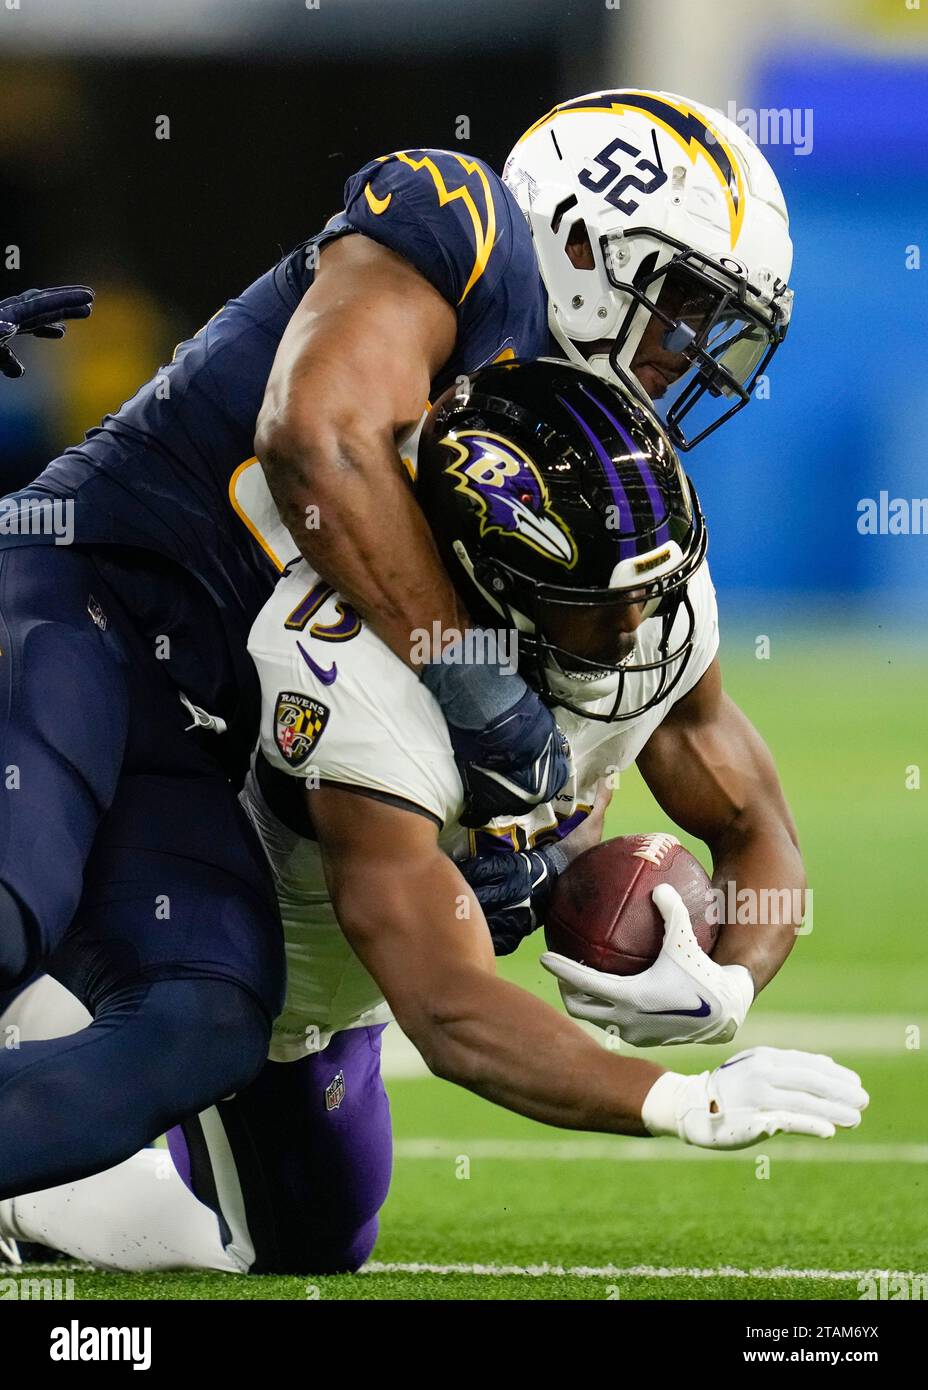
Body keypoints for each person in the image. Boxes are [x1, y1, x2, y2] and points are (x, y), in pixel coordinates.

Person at [0, 363, 865, 1276]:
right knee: (183, 1045)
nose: (639, 625)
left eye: (651, 593)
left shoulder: (643, 591)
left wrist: (730, 984)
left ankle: (36, 1189)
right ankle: (46, 1029)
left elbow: (754, 825)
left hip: (341, 991)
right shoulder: (357, 675)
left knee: (308, 1242)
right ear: (489, 585)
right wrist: (680, 1102)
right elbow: (449, 1011)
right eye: (601, 606)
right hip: (236, 942)